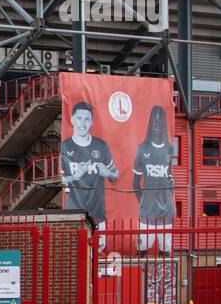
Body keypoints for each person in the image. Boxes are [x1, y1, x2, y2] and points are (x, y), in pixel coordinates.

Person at [60, 100, 119, 250]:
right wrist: (75, 176)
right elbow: (57, 180)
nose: (82, 123)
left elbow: (116, 175)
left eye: (87, 119)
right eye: (79, 118)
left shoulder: (101, 146)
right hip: (73, 214)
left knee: (97, 258)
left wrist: (108, 173)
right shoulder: (64, 147)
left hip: (98, 213)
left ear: (91, 122)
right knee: (75, 256)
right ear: (72, 119)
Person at [132, 105, 175, 253]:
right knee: (141, 250)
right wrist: (145, 202)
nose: (157, 124)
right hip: (147, 213)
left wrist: (169, 199)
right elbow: (135, 183)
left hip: (166, 213)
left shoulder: (170, 148)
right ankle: (138, 277)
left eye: (160, 121)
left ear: (164, 123)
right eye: (154, 121)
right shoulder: (143, 148)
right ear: (150, 123)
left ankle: (165, 277)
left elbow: (170, 180)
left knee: (165, 253)